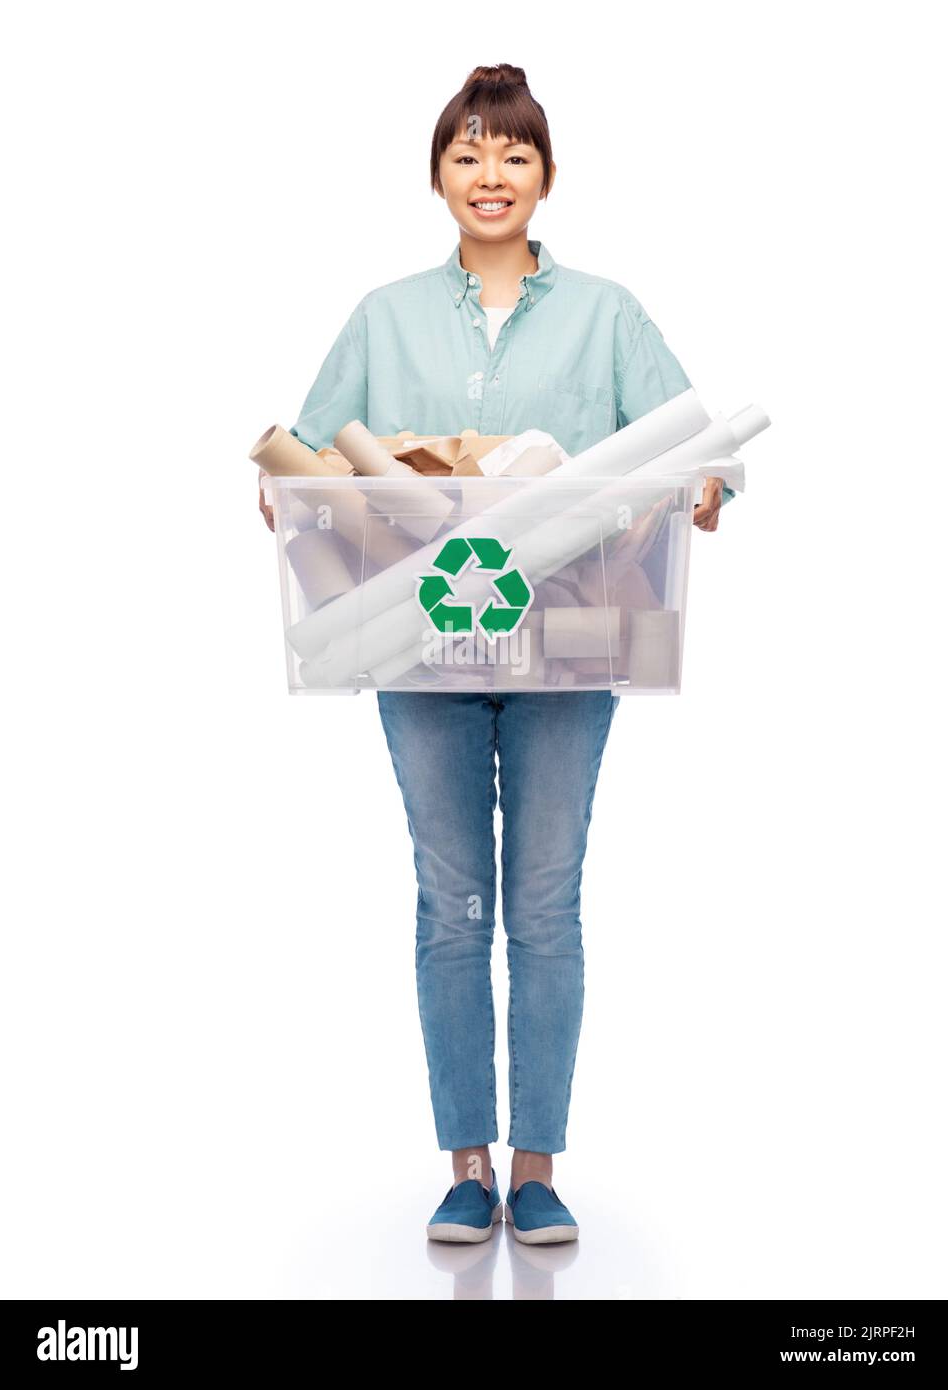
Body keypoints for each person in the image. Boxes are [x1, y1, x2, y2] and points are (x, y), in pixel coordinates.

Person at [259, 63, 731, 1245]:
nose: (490, 175)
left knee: (547, 905)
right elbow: (307, 452)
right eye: (468, 155)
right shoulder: (384, 315)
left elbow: (697, 442)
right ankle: (466, 1163)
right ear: (437, 175)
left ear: (547, 176)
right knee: (451, 903)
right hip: (425, 649)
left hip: (570, 644)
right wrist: (288, 493)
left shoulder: (608, 313)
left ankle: (537, 1169)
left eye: (513, 155)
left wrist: (711, 485)